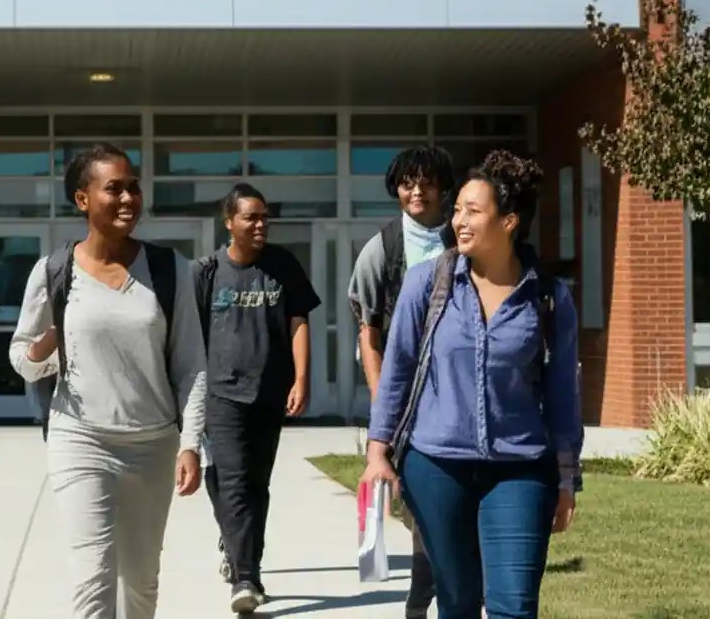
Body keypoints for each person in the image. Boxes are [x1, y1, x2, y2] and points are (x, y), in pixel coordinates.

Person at [361, 150, 583, 619]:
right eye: (458, 209)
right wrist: (378, 452)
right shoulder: (428, 284)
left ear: (509, 221)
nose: (458, 220)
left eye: (473, 211)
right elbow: (397, 371)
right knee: (458, 601)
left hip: (521, 468)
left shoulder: (547, 297)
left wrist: (566, 479)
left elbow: (563, 395)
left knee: (514, 605)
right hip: (437, 466)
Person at [9, 142, 207, 619]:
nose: (128, 199)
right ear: (83, 199)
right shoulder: (53, 271)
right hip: (80, 438)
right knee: (93, 580)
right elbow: (22, 356)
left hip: (152, 444)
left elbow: (192, 365)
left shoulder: (170, 270)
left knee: (140, 584)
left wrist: (191, 444)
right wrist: (46, 347)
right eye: (114, 188)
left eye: (133, 188)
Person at [194, 183, 321, 614]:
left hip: (270, 392)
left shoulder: (283, 265)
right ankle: (245, 577)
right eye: (251, 217)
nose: (261, 224)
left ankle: (241, 553)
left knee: (255, 486)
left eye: (265, 217)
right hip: (222, 394)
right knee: (232, 483)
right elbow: (190, 339)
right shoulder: (207, 272)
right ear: (229, 222)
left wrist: (301, 379)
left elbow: (299, 322)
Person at [347, 145, 456, 618]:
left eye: (426, 183)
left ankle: (436, 588)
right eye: (408, 183)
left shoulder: (462, 239)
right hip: (405, 397)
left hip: (455, 390)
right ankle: (422, 592)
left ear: (444, 189)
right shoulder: (382, 249)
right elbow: (368, 333)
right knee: (420, 499)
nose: (417, 192)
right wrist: (382, 404)